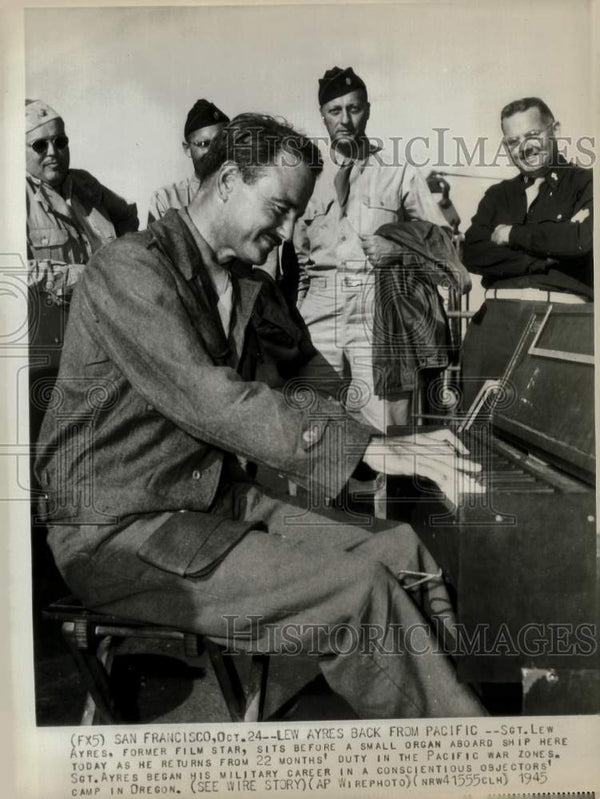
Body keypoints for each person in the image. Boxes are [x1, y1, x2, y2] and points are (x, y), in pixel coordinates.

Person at [35, 113, 485, 719]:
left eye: (298, 212)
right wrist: (370, 452)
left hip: (212, 505)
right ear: (226, 182)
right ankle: (468, 753)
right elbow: (212, 399)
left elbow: (306, 379)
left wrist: (405, 437)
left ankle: (459, 698)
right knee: (357, 596)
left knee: (404, 550)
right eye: (279, 207)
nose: (292, 228)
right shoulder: (129, 270)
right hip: (119, 529)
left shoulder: (250, 287)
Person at [294, 67, 450, 432]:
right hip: (319, 309)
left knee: (384, 425)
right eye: (335, 111)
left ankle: (386, 490)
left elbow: (441, 244)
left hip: (377, 307)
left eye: (354, 108)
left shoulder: (398, 172)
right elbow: (298, 259)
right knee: (316, 425)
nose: (345, 120)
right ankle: (331, 493)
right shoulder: (309, 178)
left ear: (368, 110)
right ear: (322, 116)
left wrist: (397, 251)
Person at [461, 97, 593, 410]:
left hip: (561, 325)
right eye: (513, 141)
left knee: (549, 436)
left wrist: (512, 235)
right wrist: (544, 258)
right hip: (492, 326)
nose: (525, 148)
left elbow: (583, 239)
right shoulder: (498, 195)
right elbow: (473, 251)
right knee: (473, 432)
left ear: (555, 130)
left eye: (533, 136)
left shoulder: (588, 184)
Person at [26, 99, 139, 299]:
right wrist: (83, 277)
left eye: (60, 142)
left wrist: (123, 264)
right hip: (57, 324)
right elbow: (14, 270)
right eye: (40, 145)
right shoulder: (13, 199)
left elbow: (127, 217)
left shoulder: (84, 184)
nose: (53, 152)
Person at [147, 99, 229, 224]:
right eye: (204, 144)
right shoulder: (166, 199)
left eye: (221, 142)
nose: (214, 151)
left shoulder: (245, 193)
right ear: (187, 149)